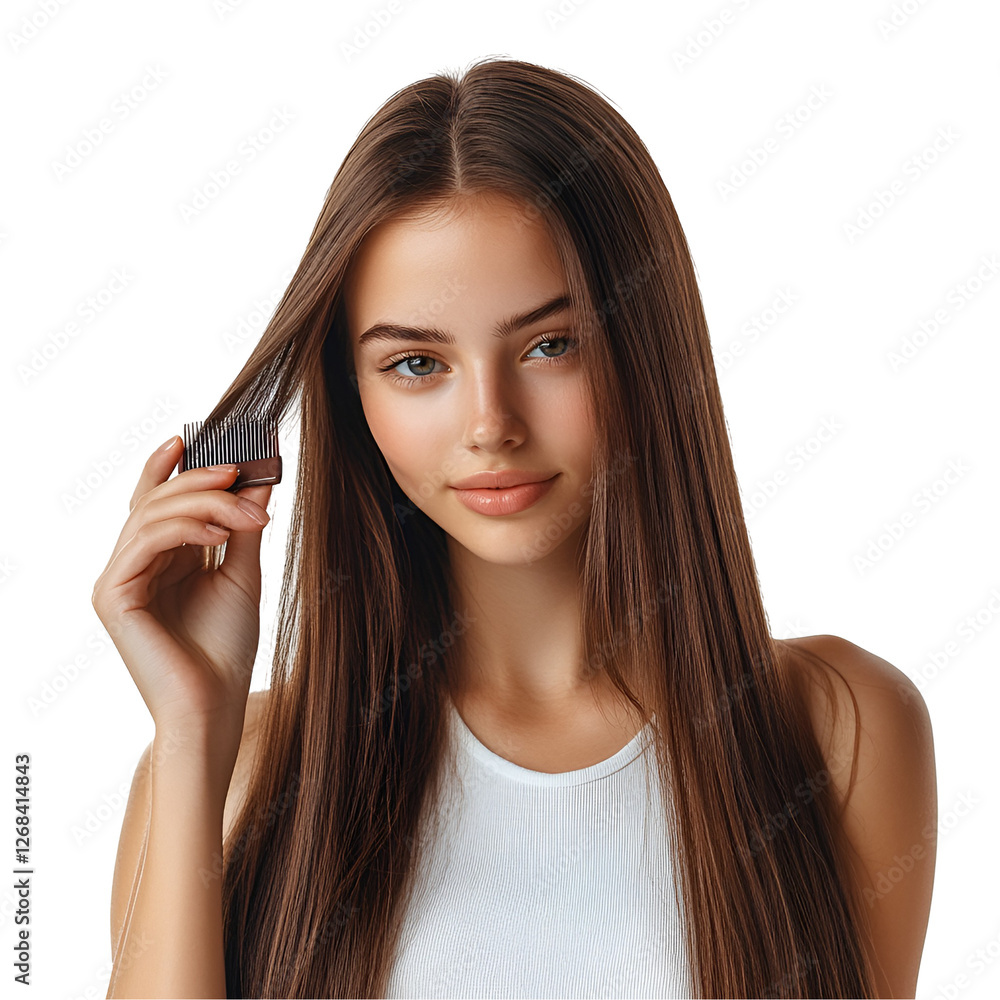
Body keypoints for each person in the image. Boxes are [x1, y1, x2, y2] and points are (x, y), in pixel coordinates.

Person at [93, 57, 936, 999]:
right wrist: (192, 726)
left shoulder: (840, 726)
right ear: (353, 394)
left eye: (550, 345)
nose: (490, 424)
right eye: (418, 364)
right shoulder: (233, 766)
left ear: (646, 346)